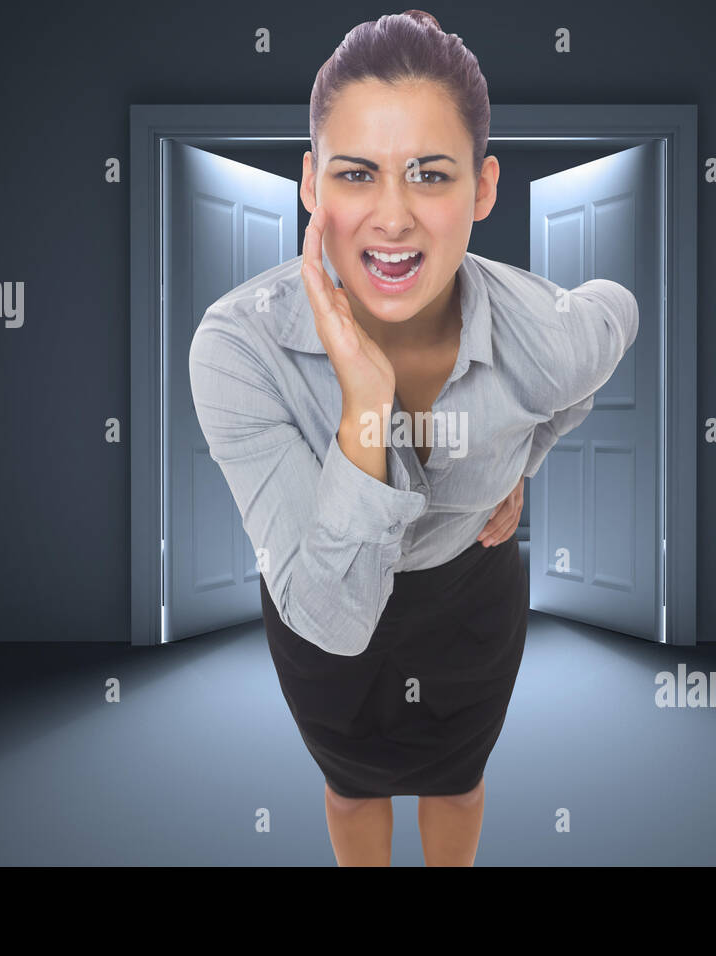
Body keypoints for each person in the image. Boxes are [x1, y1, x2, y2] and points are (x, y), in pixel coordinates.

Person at [188, 9, 638, 866]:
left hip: (472, 600)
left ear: (483, 188)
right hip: (321, 616)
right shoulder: (237, 346)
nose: (391, 218)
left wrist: (526, 459)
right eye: (358, 174)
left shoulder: (544, 333)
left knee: (458, 780)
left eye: (430, 175)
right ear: (312, 185)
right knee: (350, 787)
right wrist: (367, 400)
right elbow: (332, 616)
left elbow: (616, 318)